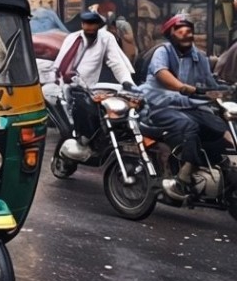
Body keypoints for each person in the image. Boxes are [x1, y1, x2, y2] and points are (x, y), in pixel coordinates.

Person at [139, 14, 232, 201]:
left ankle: (218, 166)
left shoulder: (200, 57)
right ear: (171, 34)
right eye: (180, 31)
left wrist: (226, 90)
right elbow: (161, 73)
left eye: (189, 31)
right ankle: (183, 178)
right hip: (160, 107)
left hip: (190, 107)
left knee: (219, 126)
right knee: (189, 126)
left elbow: (210, 83)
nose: (185, 34)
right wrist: (183, 87)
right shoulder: (163, 52)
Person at [52, 11, 136, 158]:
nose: (90, 29)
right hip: (67, 86)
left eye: (93, 26)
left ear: (98, 26)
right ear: (82, 25)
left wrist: (126, 81)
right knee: (76, 122)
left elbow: (116, 62)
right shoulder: (72, 39)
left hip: (89, 88)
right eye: (87, 26)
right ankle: (78, 143)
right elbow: (60, 67)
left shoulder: (106, 38)